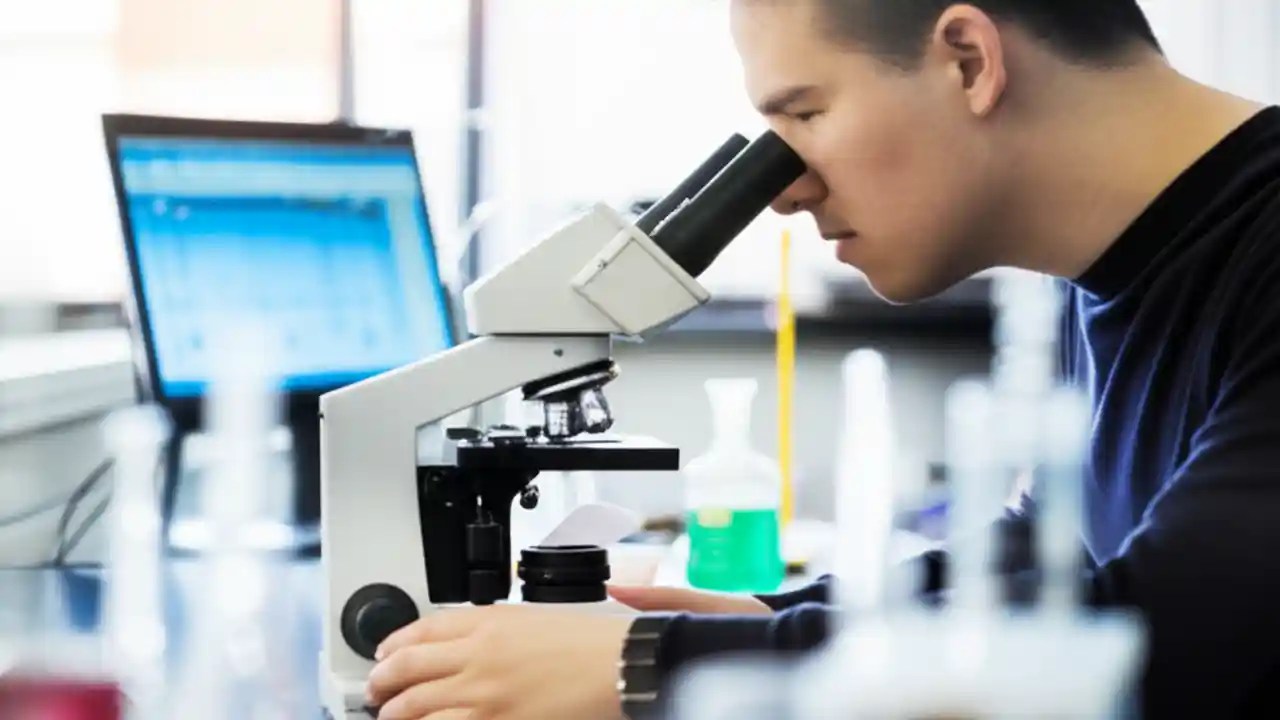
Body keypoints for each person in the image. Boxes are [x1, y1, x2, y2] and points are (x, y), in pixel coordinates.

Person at [365, 1, 1280, 718]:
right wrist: (774, 617)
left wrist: (646, 668)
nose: (787, 190)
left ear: (968, 60)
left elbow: (1183, 645)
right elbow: (1053, 560)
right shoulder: (1110, 263)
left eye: (804, 113)